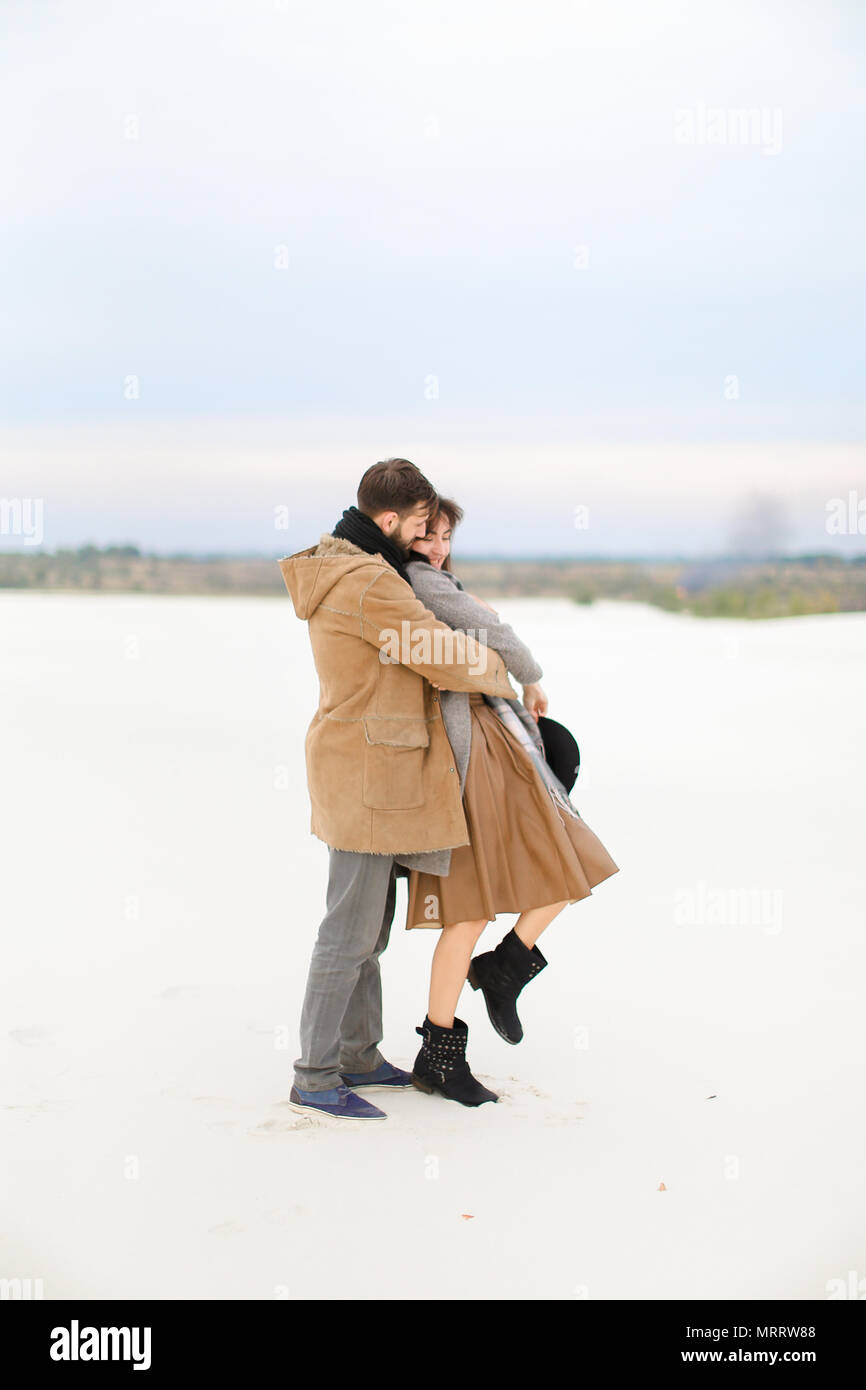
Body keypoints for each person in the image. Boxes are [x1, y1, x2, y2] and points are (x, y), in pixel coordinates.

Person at [277, 461, 516, 1121]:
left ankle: (357, 1053)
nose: (424, 535)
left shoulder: (359, 568)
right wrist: (498, 665)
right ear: (389, 520)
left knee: (368, 930)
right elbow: (439, 653)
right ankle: (316, 1075)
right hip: (368, 774)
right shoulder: (368, 583)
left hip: (365, 766)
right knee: (347, 933)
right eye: (418, 522)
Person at [401, 498, 619, 1107]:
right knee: (469, 910)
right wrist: (531, 675)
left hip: (497, 744)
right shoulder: (420, 582)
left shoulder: (438, 582)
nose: (438, 546)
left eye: (445, 535)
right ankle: (439, 1054)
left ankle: (505, 967)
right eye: (428, 535)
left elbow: (480, 638)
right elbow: (495, 636)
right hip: (471, 757)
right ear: (406, 537)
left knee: (568, 861)